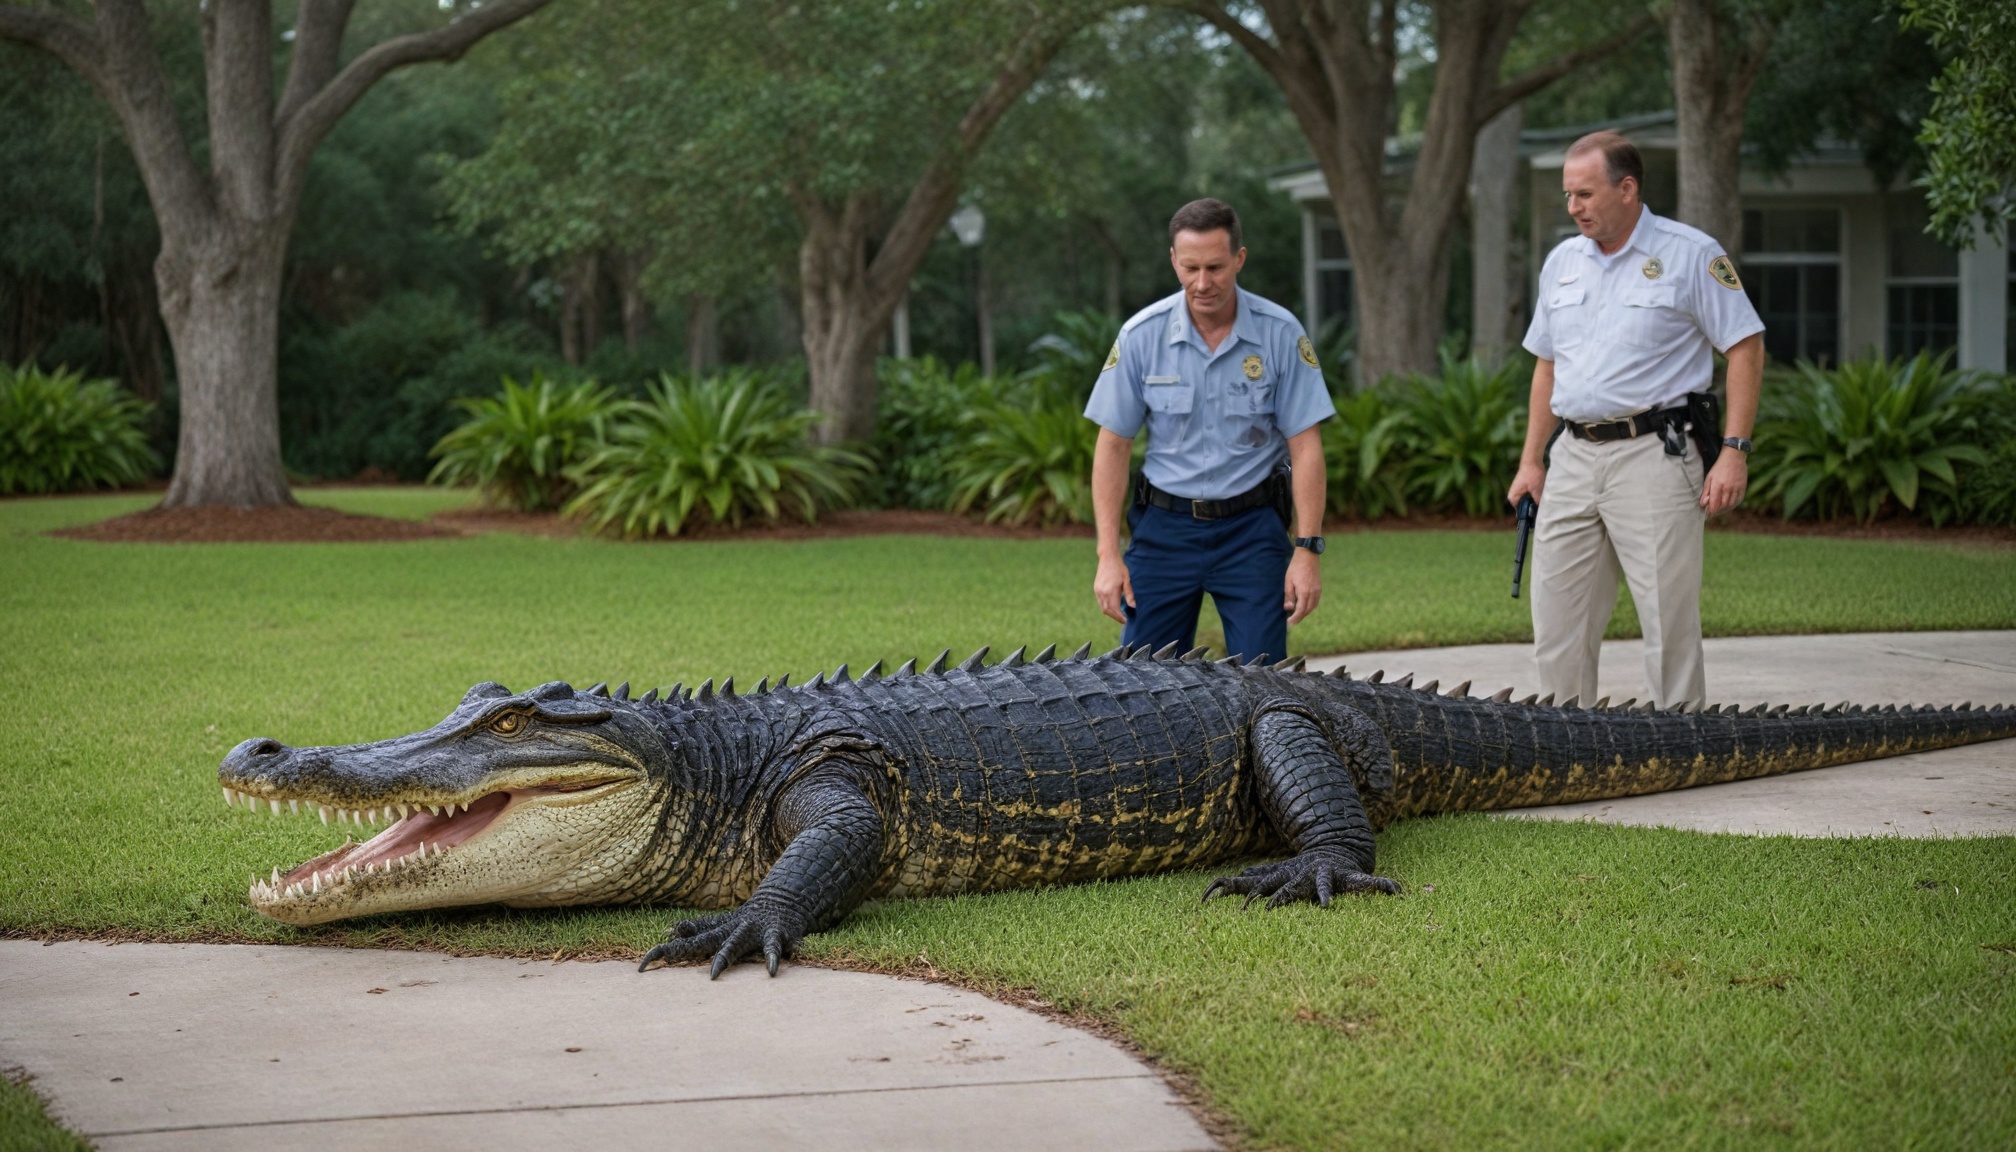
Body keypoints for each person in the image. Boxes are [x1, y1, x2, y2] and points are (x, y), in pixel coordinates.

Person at [1506, 131, 1765, 710]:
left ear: (1627, 189)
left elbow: (1746, 346)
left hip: (1656, 454)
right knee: (1556, 620)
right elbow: (1548, 368)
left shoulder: (1691, 254)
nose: (1573, 207)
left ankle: (1681, 751)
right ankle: (1562, 751)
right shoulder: (1562, 262)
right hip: (1572, 456)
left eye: (1585, 193)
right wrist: (1531, 460)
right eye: (1568, 195)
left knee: (1666, 622)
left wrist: (1734, 450)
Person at [1084, 198, 1334, 665]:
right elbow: (1113, 446)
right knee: (1144, 685)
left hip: (1252, 531)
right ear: (1174, 261)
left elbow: (1306, 447)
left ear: (1239, 258)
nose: (1203, 283)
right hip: (1163, 532)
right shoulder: (1142, 336)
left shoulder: (1280, 334)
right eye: (1191, 267)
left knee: (1263, 681)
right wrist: (1107, 555)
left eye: (1216, 267)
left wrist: (1307, 550)